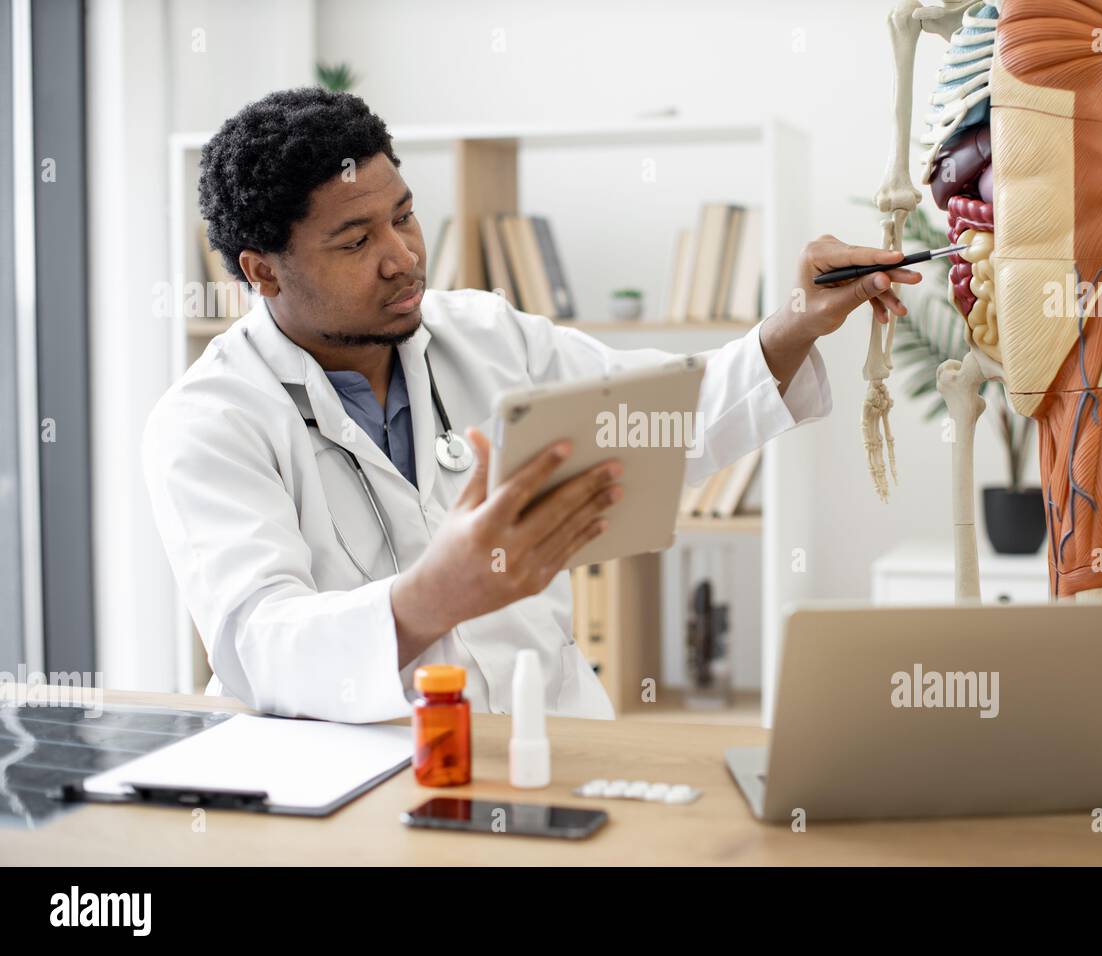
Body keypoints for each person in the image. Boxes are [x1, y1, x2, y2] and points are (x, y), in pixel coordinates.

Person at [142, 88, 919, 722]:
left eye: (404, 215)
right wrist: (435, 595)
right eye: (354, 242)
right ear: (262, 271)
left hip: (551, 743)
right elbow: (259, 645)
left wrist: (797, 318)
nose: (403, 256)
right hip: (351, 781)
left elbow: (660, 420)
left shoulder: (482, 332)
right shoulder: (210, 421)